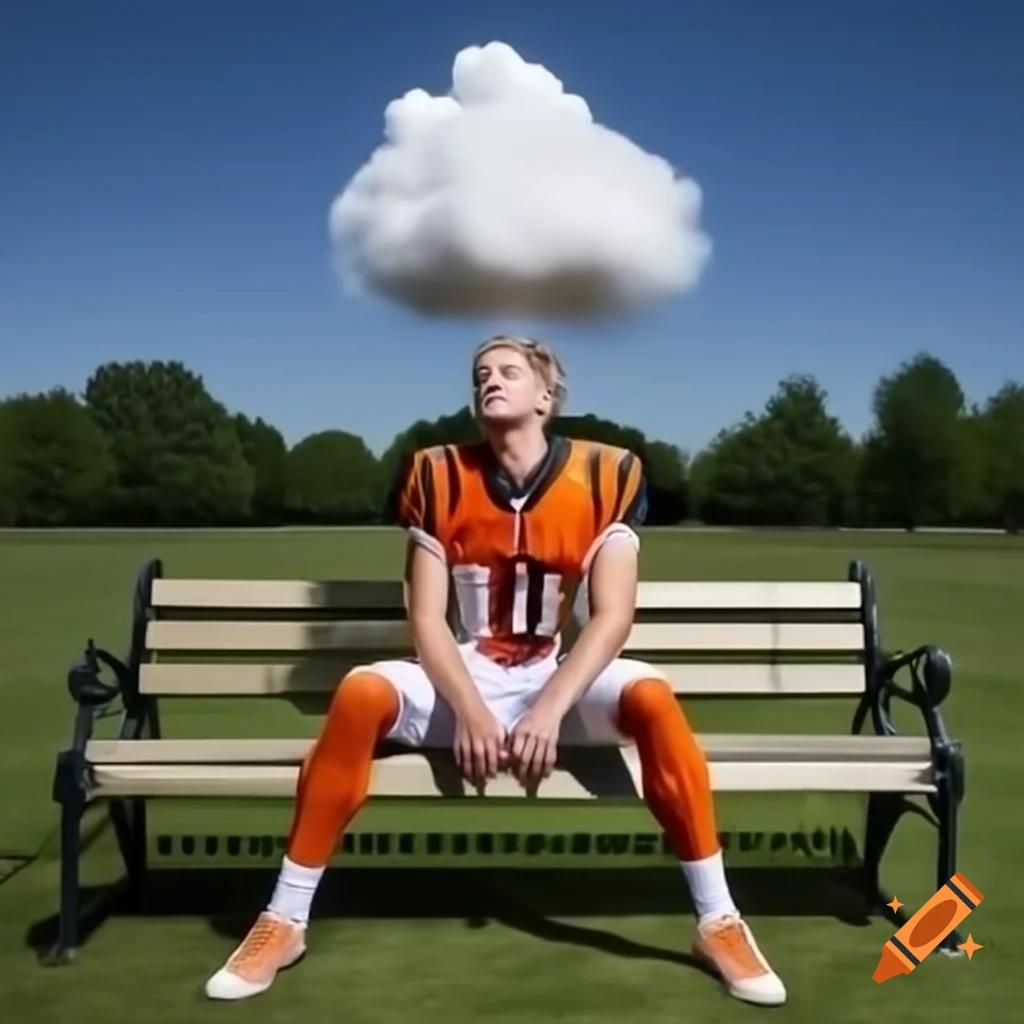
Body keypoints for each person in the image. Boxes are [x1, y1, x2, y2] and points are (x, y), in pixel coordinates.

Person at [204, 335, 787, 1007]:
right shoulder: (435, 473)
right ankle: (285, 918)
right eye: (481, 373)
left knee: (652, 696)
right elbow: (426, 620)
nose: (490, 380)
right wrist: (474, 711)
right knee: (362, 691)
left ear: (547, 396)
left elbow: (613, 616)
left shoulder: (608, 474)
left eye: (509, 371)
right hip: (467, 675)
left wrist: (547, 709)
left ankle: (718, 921)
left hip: (553, 678)